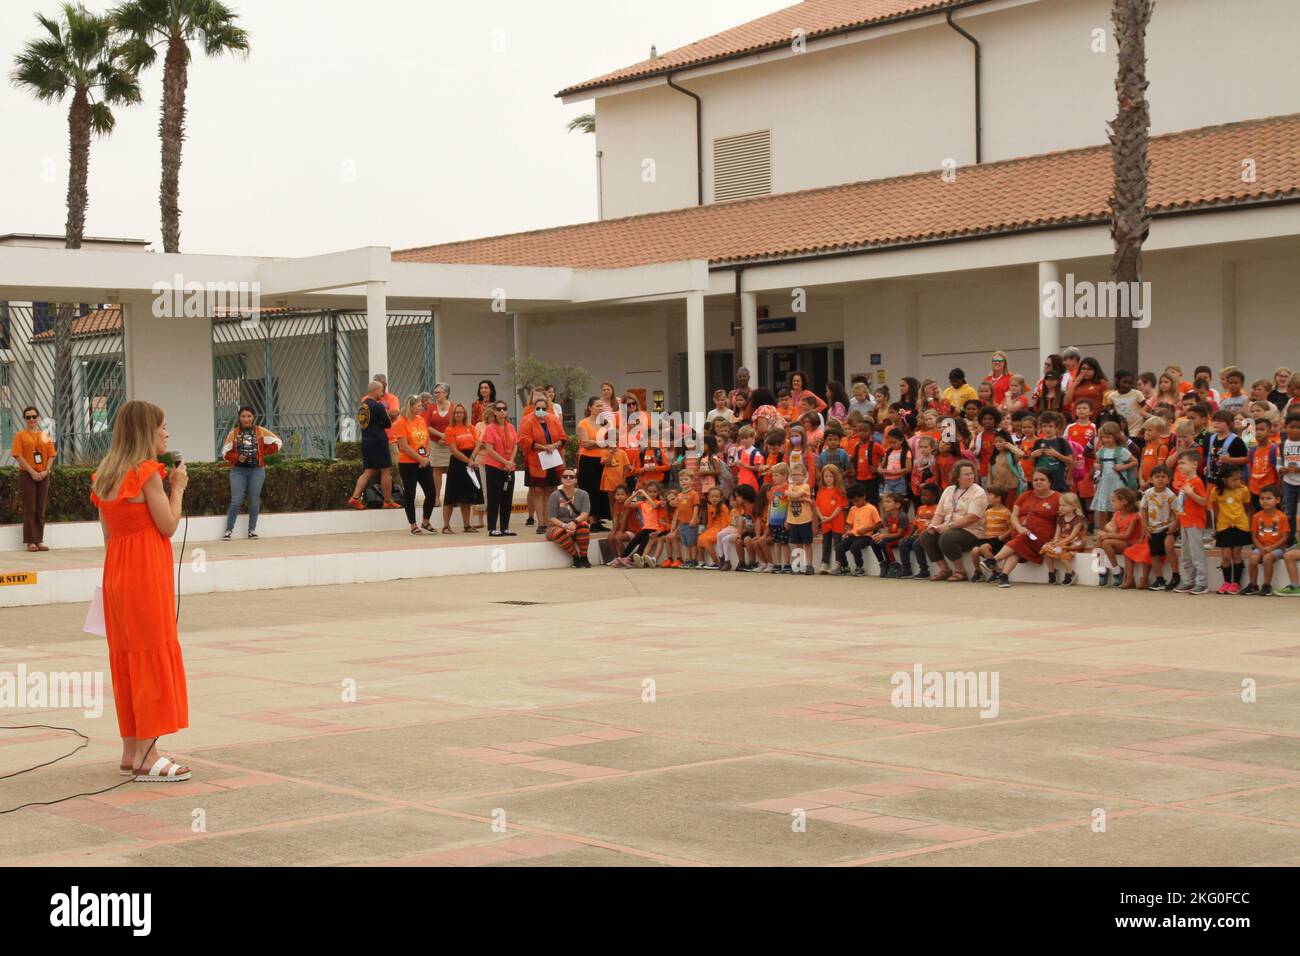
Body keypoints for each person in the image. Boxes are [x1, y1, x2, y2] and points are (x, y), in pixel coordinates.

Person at [90, 400, 190, 781]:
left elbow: (108, 535)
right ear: (146, 430)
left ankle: (132, 748)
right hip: (145, 575)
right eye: (161, 426)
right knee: (150, 655)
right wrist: (177, 488)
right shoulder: (147, 473)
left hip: (117, 574)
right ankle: (149, 754)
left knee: (128, 658)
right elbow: (168, 524)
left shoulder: (105, 475)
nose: (166, 433)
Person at [988, 468, 1060, 588]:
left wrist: (1056, 539)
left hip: (1042, 537)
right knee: (1019, 544)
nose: (1038, 482)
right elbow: (1014, 516)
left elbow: (1061, 522)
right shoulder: (1025, 495)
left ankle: (993, 560)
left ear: (1050, 482)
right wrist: (1019, 527)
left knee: (1020, 540)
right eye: (1035, 480)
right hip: (1022, 533)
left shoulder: (1058, 498)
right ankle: (1003, 576)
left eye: (1042, 479)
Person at [220, 406, 282, 540]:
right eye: (243, 416)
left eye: (249, 416)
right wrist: (237, 457)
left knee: (254, 500)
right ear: (239, 418)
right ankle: (228, 530)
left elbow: (278, 443)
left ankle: (252, 530)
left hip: (257, 471)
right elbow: (225, 453)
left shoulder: (261, 431)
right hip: (238, 471)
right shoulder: (233, 433)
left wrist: (262, 453)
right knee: (236, 501)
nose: (246, 419)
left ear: (253, 417)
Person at [922, 460, 989, 582]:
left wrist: (948, 526)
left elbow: (972, 517)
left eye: (971, 474)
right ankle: (945, 570)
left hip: (971, 531)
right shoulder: (949, 490)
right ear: (957, 476)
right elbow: (939, 513)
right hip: (950, 527)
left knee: (947, 537)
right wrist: (933, 526)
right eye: (966, 474)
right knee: (926, 536)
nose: (970, 477)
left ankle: (960, 571)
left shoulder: (978, 491)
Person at [518, 392, 567, 533]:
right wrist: (542, 447)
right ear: (533, 407)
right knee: (538, 490)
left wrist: (554, 445)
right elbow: (523, 439)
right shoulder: (527, 420)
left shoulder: (553, 419)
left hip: (552, 459)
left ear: (547, 408)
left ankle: (549, 521)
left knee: (551, 490)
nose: (540, 410)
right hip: (535, 460)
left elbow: (563, 437)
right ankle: (541, 523)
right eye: (538, 408)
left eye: (543, 408)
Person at [347, 381, 401, 510]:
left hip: (366, 441)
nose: (382, 393)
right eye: (381, 390)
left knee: (368, 471)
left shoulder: (363, 406)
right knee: (386, 471)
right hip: (379, 442)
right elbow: (388, 423)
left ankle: (355, 498)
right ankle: (387, 501)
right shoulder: (378, 406)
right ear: (375, 390)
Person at [390, 394, 436, 533]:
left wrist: (425, 457)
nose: (421, 408)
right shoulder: (401, 422)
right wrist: (419, 459)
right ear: (410, 406)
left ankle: (426, 521)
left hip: (423, 461)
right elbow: (404, 446)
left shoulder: (421, 420)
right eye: (418, 406)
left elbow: (427, 440)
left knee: (431, 493)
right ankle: (413, 525)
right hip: (408, 463)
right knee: (410, 493)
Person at [13, 405, 55, 552]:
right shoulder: (20, 435)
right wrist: (32, 472)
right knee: (30, 508)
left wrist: (46, 471)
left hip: (43, 474)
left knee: (40, 509)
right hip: (27, 474)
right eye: (28, 417)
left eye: (34, 416)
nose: (31, 419)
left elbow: (51, 455)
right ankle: (31, 541)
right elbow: (18, 456)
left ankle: (39, 540)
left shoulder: (45, 435)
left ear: (38, 418)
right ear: (24, 419)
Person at [1209, 465, 1251, 593]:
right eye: (1234, 480)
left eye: (1239, 479)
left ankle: (1236, 583)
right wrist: (1216, 526)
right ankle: (1226, 582)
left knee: (1237, 554)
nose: (1238, 482)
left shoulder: (1244, 490)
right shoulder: (1216, 491)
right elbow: (1215, 509)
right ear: (1224, 479)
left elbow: (1248, 508)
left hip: (1240, 525)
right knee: (1226, 556)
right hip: (1224, 526)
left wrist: (1249, 524)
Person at [442, 402, 483, 533]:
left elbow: (477, 445)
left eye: (461, 412)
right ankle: (446, 526)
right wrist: (468, 461)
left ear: (465, 414)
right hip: (457, 464)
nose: (459, 414)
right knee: (451, 496)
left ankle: (467, 525)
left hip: (471, 461)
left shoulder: (471, 428)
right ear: (453, 414)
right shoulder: (450, 429)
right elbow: (453, 450)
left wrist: (472, 459)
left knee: (467, 496)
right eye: (456, 412)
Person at [1173, 451, 1210, 594]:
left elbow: (1203, 501)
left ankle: (1202, 583)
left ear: (1194, 464)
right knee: (1186, 554)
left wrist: (1190, 493)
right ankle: (1189, 580)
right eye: (1179, 463)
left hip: (1194, 522)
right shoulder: (1186, 482)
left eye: (1183, 463)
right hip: (1185, 521)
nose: (1180, 466)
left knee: (1196, 554)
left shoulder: (1197, 481)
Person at [480, 401, 519, 537]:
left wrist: (510, 461)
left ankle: (505, 527)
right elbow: (489, 449)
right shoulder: (490, 428)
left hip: (509, 468)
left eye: (504, 408)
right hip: (494, 467)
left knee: (507, 498)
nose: (502, 411)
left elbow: (515, 445)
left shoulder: (511, 427)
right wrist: (505, 462)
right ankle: (492, 528)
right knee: (494, 498)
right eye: (499, 409)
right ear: (494, 412)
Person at [1091, 421, 1137, 531]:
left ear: (1115, 437)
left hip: (1118, 483)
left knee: (1117, 509)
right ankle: (1102, 532)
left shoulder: (1122, 451)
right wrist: (1096, 466)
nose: (1105, 440)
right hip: (1104, 484)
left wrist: (1123, 467)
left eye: (1108, 437)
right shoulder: (1101, 451)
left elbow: (1135, 462)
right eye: (1103, 437)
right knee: (1102, 510)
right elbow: (1096, 463)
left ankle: (1117, 531)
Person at [1244, 486, 1289, 595]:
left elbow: (1284, 537)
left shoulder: (1282, 517)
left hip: (1278, 548)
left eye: (1268, 498)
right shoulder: (1256, 516)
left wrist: (1272, 547)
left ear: (1277, 500)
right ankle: (1253, 585)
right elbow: (1254, 536)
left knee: (1267, 558)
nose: (1265, 501)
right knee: (1253, 558)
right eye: (1262, 498)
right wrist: (1261, 548)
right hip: (1261, 547)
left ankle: (1267, 585)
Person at [1140, 465, 1178, 591]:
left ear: (1168, 480)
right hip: (1153, 528)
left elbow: (1176, 512)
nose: (1160, 479)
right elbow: (1143, 509)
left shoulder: (1170, 495)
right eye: (1157, 477)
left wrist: (1174, 525)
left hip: (1168, 527)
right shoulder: (1147, 493)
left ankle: (1176, 575)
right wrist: (1145, 526)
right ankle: (1159, 579)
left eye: (1163, 477)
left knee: (1169, 547)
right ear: (1151, 480)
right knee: (1154, 554)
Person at [1096, 487, 1144, 588]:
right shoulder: (1116, 514)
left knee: (1106, 542)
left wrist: (1107, 535)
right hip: (1121, 542)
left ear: (1124, 502)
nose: (1112, 503)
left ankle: (1117, 570)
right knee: (1100, 540)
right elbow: (1115, 532)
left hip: (1131, 543)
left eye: (1114, 501)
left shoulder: (1134, 516)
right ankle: (1101, 567)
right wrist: (1103, 534)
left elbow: (1127, 536)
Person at [546, 468, 592, 568]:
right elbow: (552, 518)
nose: (568, 478)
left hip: (576, 524)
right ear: (561, 479)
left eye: (571, 477)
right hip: (558, 526)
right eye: (565, 476)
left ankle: (584, 557)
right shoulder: (555, 495)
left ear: (576, 480)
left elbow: (585, 513)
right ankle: (576, 557)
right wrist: (565, 526)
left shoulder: (583, 494)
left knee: (584, 527)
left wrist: (574, 523)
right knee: (559, 532)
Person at [1039, 492, 1087, 586]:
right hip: (1062, 540)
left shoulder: (1079, 519)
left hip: (1075, 541)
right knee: (1046, 548)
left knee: (1060, 549)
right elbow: (1057, 533)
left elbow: (1073, 536)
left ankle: (1070, 572)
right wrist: (1055, 541)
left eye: (1064, 505)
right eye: (1060, 505)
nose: (1061, 507)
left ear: (1074, 506)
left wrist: (1060, 543)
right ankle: (1052, 572)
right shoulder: (1060, 518)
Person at [834, 483, 881, 576]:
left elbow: (879, 523)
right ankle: (845, 567)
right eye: (853, 501)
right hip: (853, 535)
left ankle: (859, 567)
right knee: (838, 547)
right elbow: (849, 524)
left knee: (854, 547)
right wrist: (847, 531)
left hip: (866, 536)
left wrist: (866, 529)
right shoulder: (853, 509)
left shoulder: (871, 508)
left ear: (864, 496)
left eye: (857, 501)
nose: (855, 503)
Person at [421, 383, 454, 510]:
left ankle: (452, 497)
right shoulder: (431, 408)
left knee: (452, 470)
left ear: (446, 393)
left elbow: (457, 424)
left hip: (451, 444)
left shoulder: (454, 406)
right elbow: (427, 425)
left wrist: (447, 437)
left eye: (438, 392)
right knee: (436, 470)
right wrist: (440, 435)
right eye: (434, 392)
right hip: (435, 443)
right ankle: (436, 497)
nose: (435, 395)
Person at [815, 464, 847, 573]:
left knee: (838, 543)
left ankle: (839, 564)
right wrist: (821, 517)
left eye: (831, 476)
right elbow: (817, 506)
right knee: (826, 543)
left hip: (836, 522)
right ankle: (825, 563)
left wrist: (831, 517)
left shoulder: (839, 491)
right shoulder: (821, 491)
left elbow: (840, 507)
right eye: (826, 476)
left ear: (836, 477)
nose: (828, 479)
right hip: (825, 522)